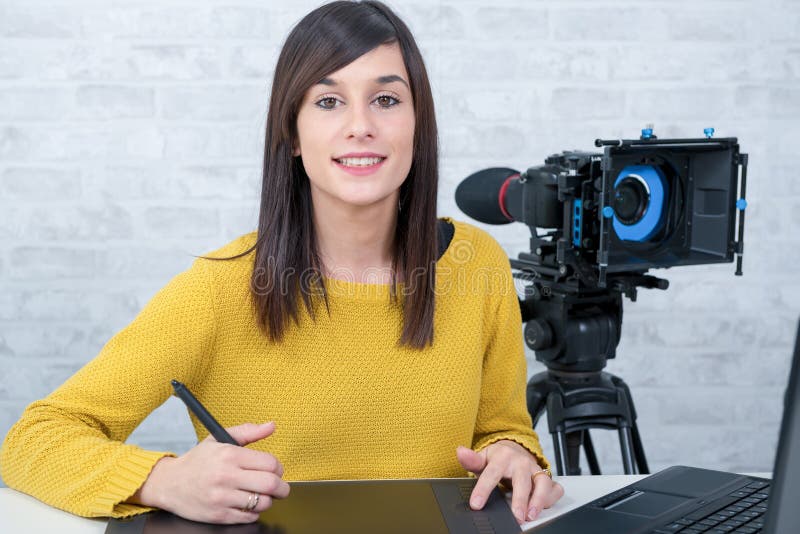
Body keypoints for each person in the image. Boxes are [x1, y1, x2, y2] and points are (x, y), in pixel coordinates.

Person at [0, 0, 563, 526]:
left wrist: (513, 452)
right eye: (327, 101)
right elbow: (33, 440)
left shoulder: (476, 263)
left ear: (419, 124)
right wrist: (163, 479)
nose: (360, 124)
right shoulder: (220, 288)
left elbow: (501, 424)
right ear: (291, 134)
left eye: (386, 99)